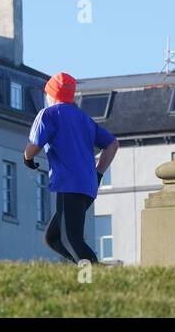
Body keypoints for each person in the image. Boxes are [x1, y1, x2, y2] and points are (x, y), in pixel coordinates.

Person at [24, 72, 118, 263]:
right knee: (53, 238)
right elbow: (112, 144)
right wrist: (98, 172)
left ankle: (92, 276)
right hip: (88, 186)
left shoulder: (48, 114)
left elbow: (34, 145)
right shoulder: (83, 118)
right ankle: (87, 269)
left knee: (70, 238)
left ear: (50, 95)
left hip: (69, 184)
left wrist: (27, 158)